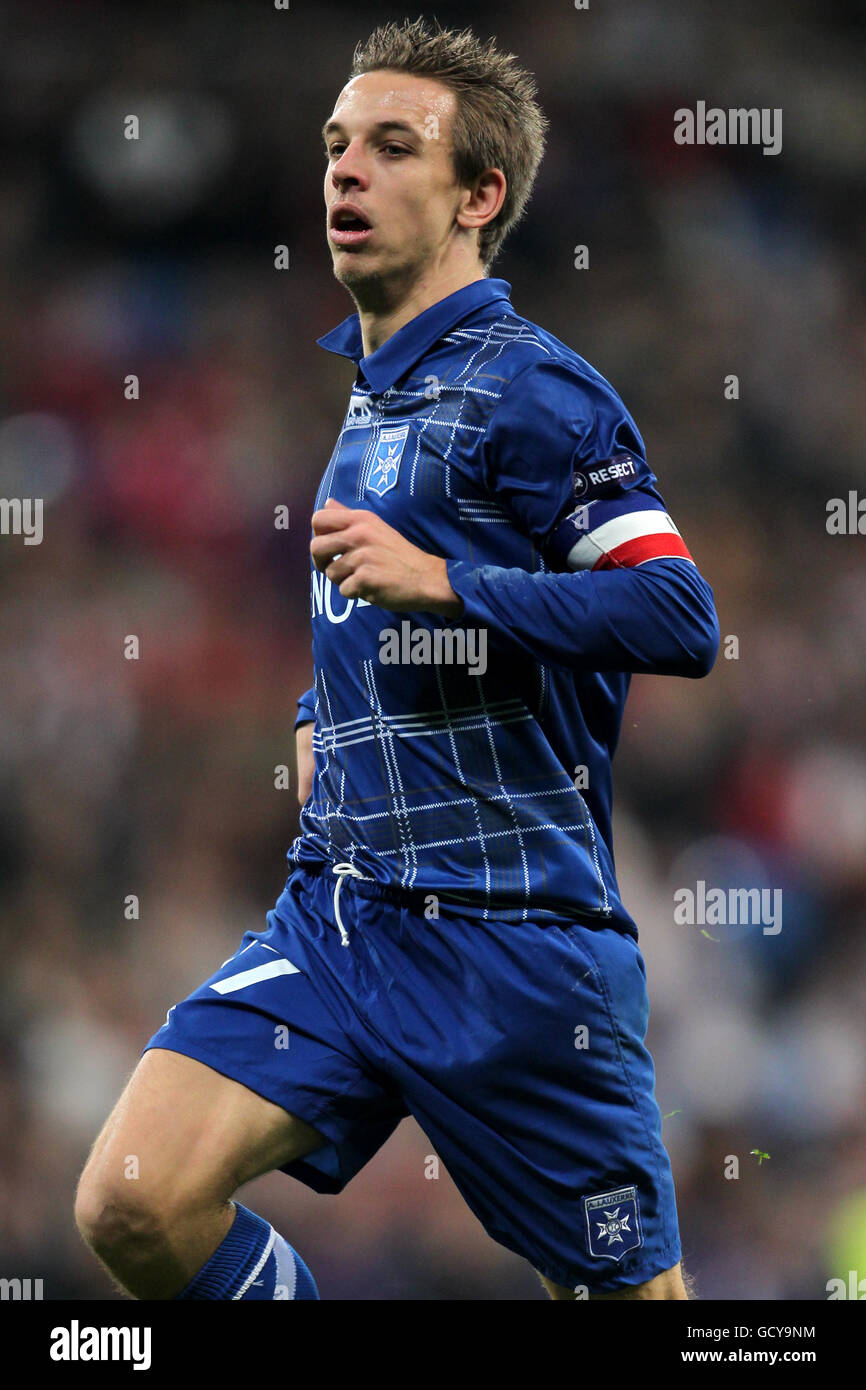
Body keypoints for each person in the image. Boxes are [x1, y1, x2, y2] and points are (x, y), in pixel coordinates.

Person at [75, 17, 718, 1301]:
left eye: (387, 146)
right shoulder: (377, 387)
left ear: (478, 196)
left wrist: (445, 584)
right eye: (331, 146)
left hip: (515, 953)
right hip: (345, 914)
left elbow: (678, 616)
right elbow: (375, 606)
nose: (342, 173)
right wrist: (322, 710)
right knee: (135, 1203)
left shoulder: (540, 392)